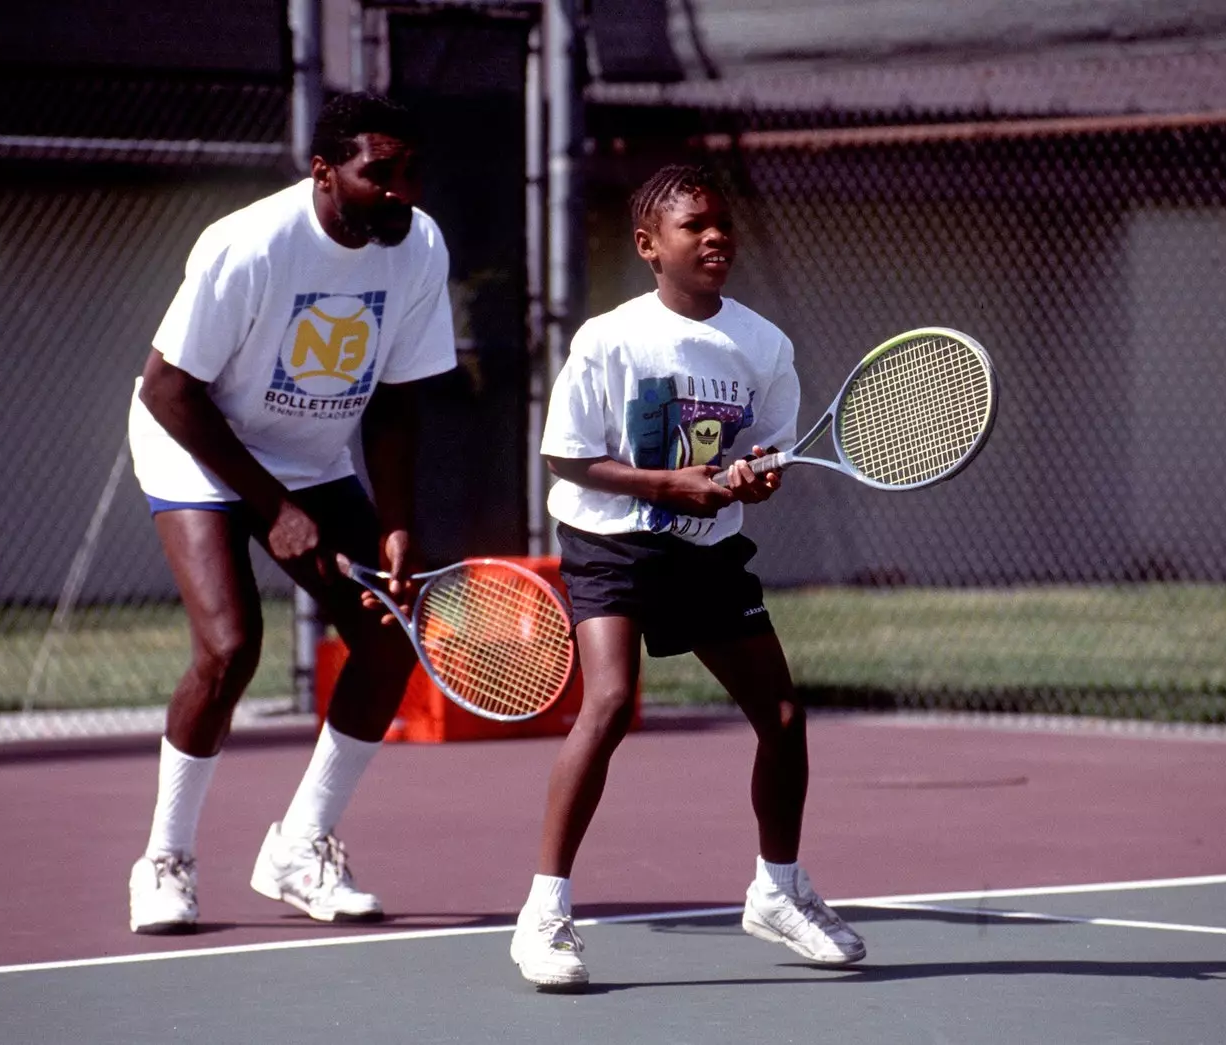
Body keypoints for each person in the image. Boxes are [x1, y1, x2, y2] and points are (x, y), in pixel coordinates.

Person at [509, 164, 866, 988]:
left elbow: (763, 456)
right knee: (606, 703)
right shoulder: (611, 337)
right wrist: (669, 484)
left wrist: (756, 477)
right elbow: (566, 454)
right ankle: (545, 914)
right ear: (648, 246)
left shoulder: (763, 345)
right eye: (693, 225)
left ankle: (777, 892)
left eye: (723, 224)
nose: (715, 237)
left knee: (781, 715)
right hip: (613, 542)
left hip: (707, 550)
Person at [124, 92, 457, 934]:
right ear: (324, 173)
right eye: (378, 173)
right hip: (194, 438)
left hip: (307, 451)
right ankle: (165, 857)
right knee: (232, 646)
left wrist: (395, 520)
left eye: (409, 172)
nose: (400, 190)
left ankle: (300, 845)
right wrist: (272, 507)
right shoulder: (248, 245)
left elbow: (394, 403)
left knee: (389, 634)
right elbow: (170, 389)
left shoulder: (418, 249)